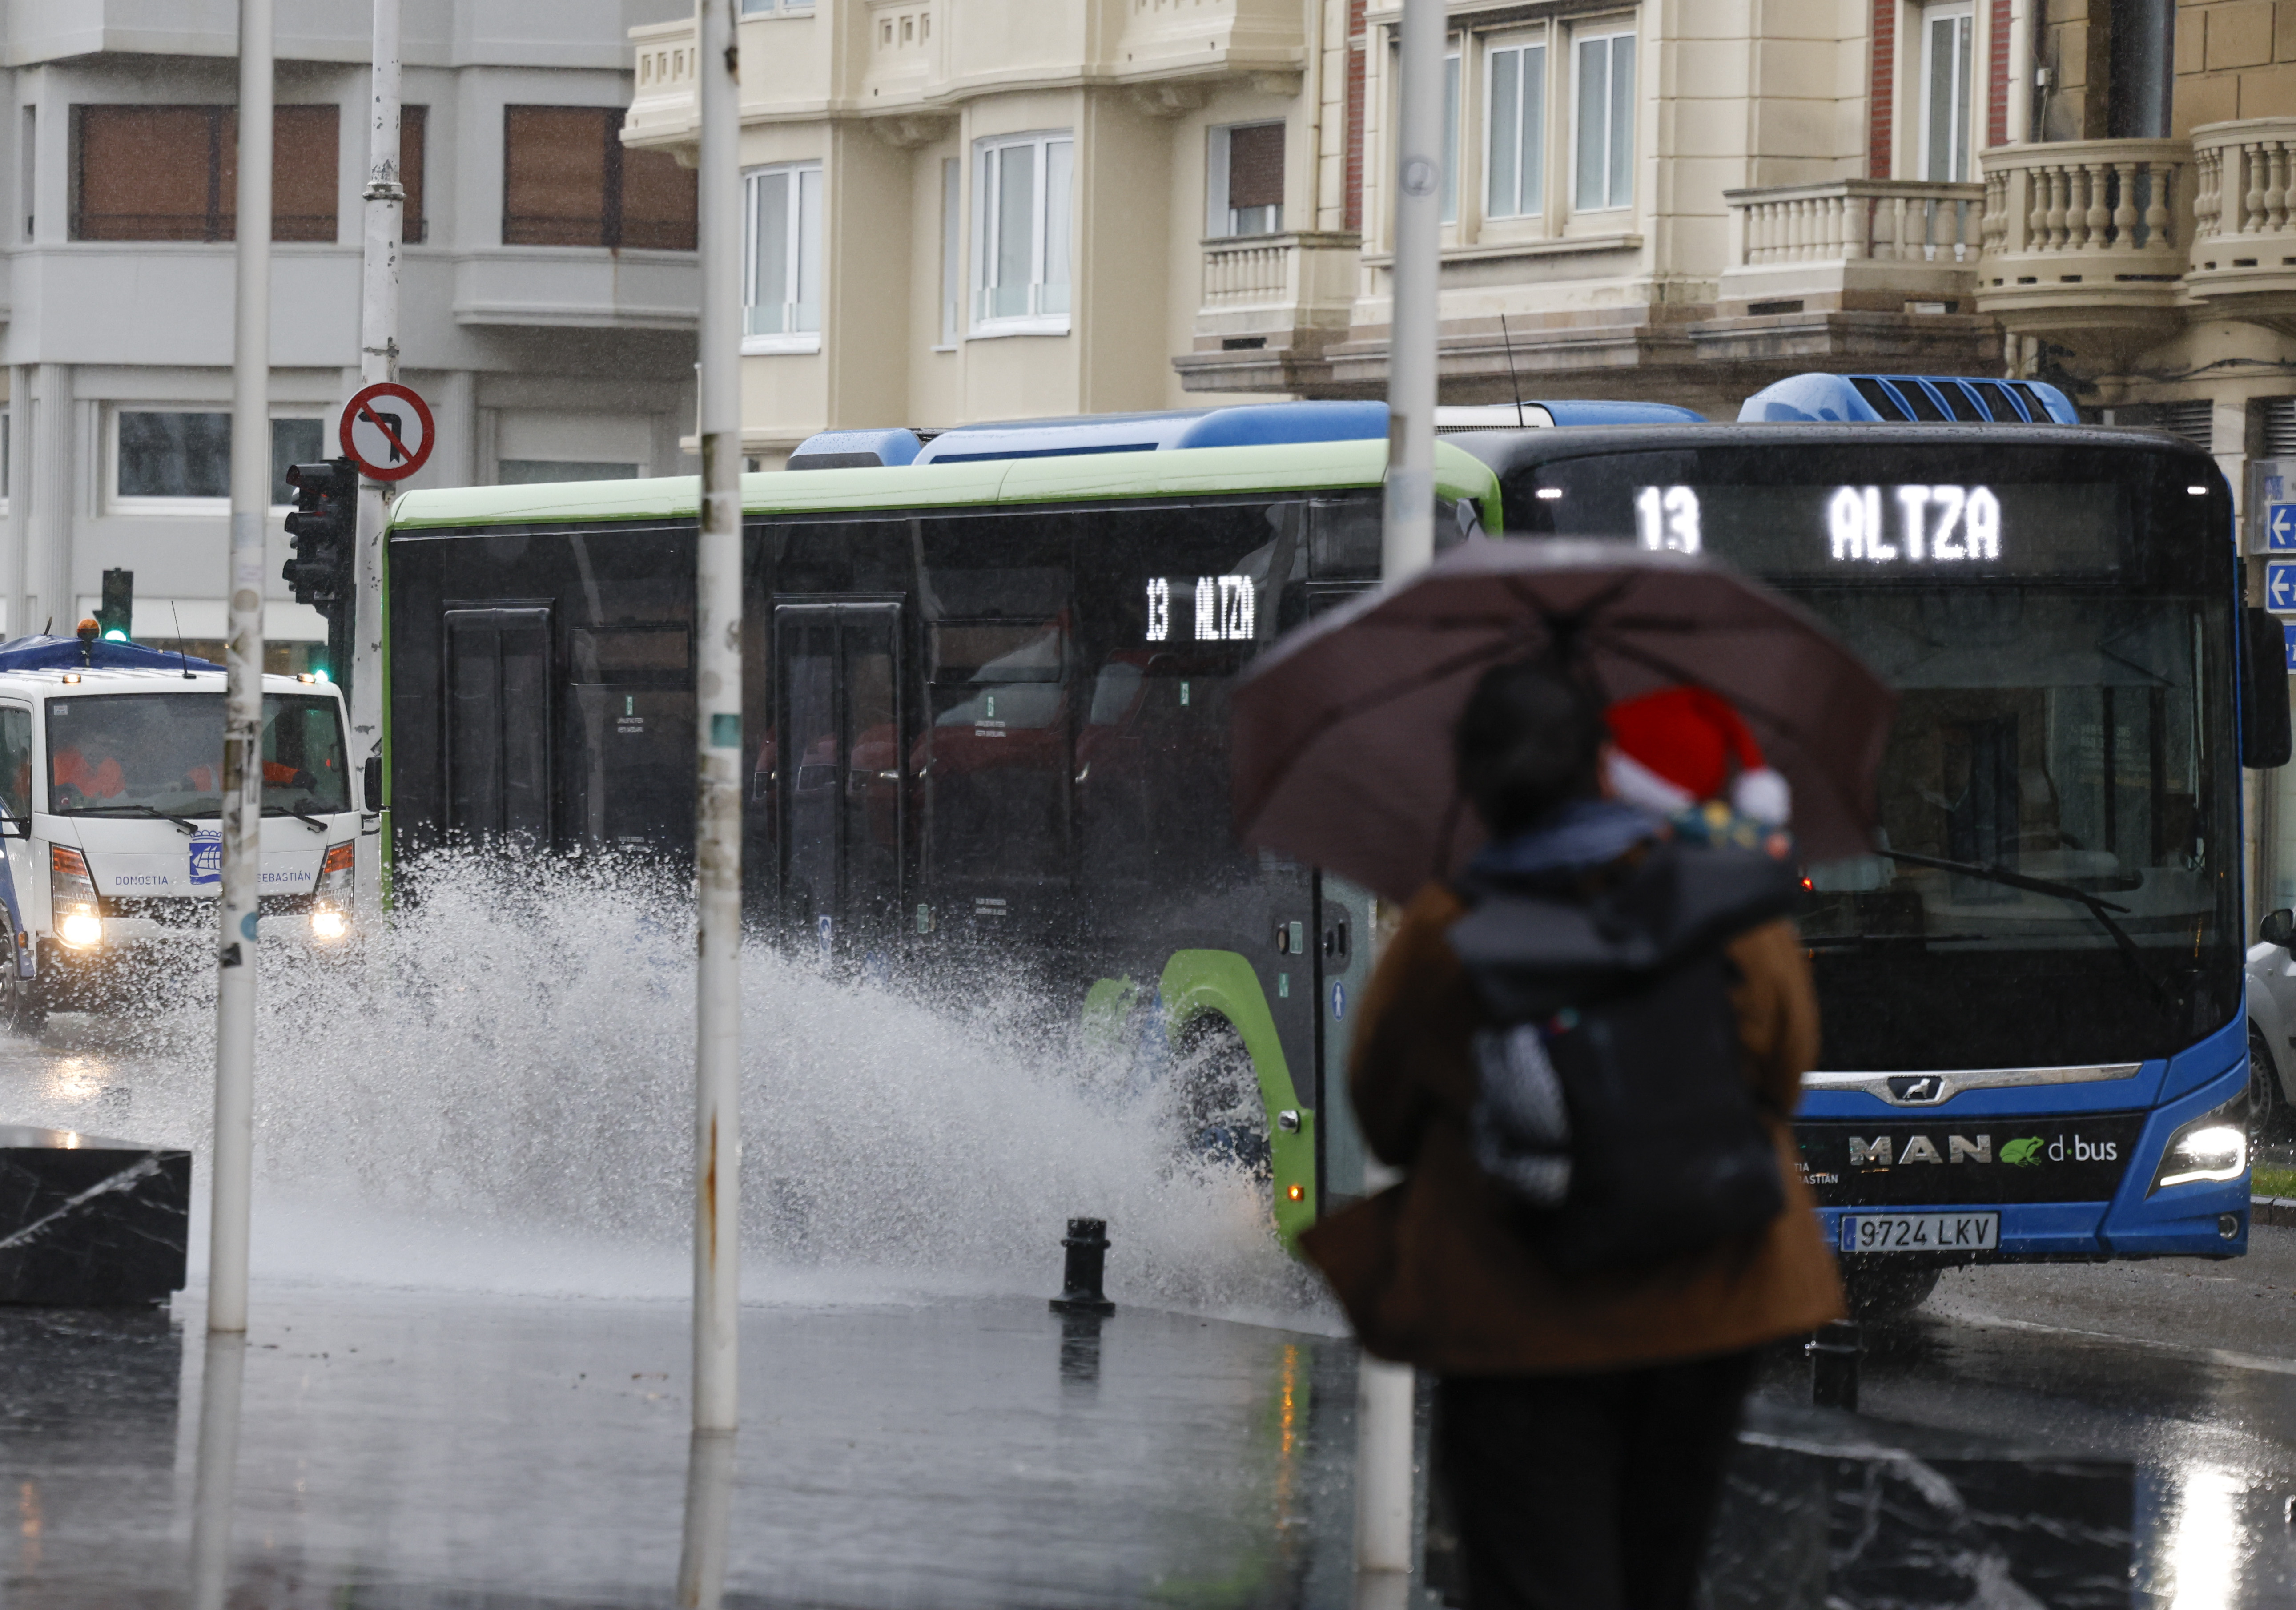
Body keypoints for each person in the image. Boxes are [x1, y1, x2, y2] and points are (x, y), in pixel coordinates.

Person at [1300, 659, 1843, 1610]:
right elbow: (1783, 1066)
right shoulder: (1716, 895)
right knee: (1657, 1577)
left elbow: (1383, 1110)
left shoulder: (1446, 928)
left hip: (1519, 1314)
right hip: (1710, 1296)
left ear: (1473, 785)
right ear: (1601, 765)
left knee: (1540, 1578)